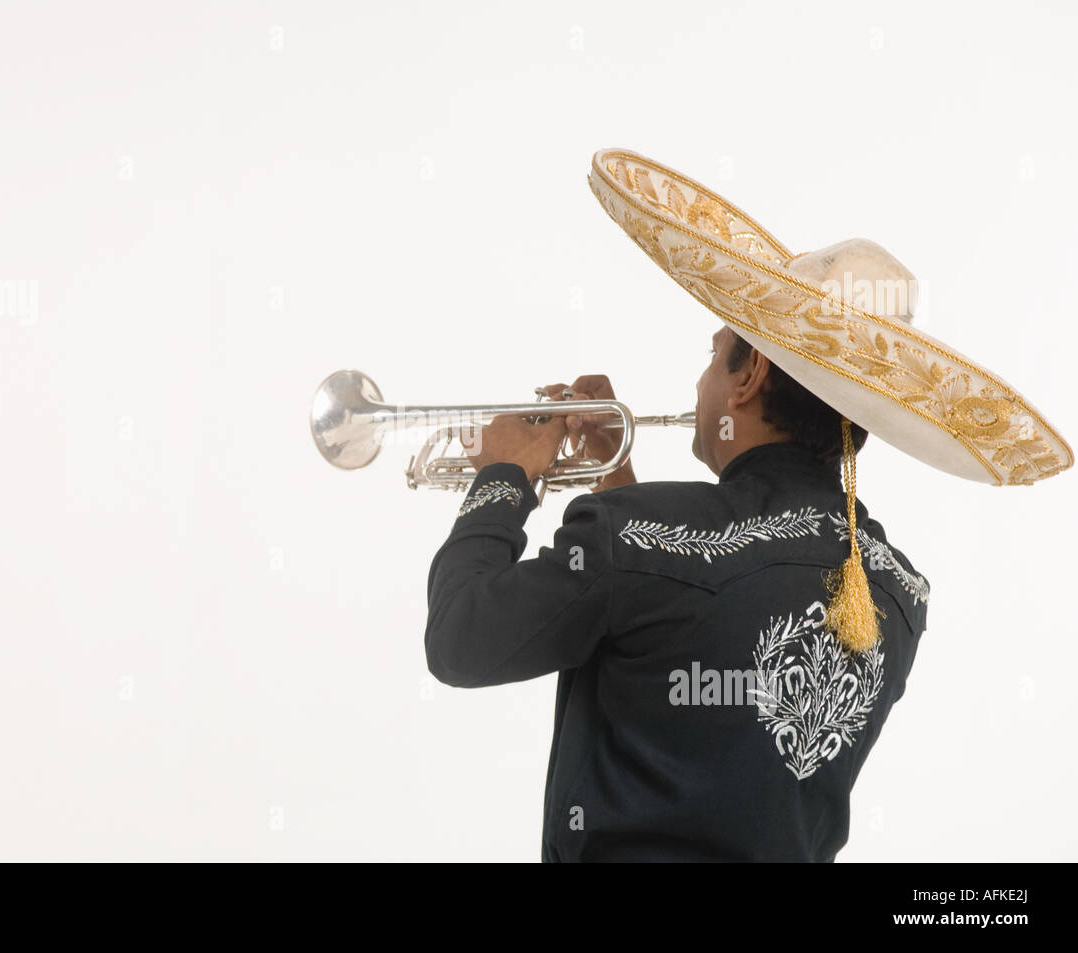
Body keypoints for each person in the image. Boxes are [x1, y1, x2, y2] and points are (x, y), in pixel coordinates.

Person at [422, 149, 1070, 862]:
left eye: (715, 352)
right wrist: (620, 478)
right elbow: (684, 610)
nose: (701, 379)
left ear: (749, 375)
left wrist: (504, 475)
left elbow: (461, 639)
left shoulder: (636, 541)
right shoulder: (897, 590)